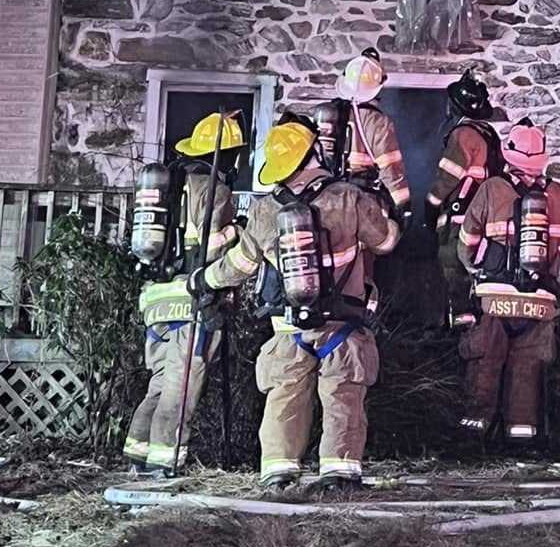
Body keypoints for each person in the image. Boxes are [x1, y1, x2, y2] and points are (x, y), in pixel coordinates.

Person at [196, 111, 399, 489]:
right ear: (314, 156)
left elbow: (239, 265)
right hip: (341, 325)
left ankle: (278, 472)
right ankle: (339, 473)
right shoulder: (349, 198)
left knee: (284, 395)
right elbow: (385, 242)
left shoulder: (265, 209)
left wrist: (203, 279)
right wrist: (393, 215)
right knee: (342, 394)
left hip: (286, 326)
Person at [123, 111, 244, 477]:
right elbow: (206, 250)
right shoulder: (215, 190)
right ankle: (164, 465)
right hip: (188, 303)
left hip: (156, 301)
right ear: (228, 155)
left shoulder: (173, 186)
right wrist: (235, 233)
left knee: (159, 384)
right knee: (181, 386)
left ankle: (137, 457)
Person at [455, 121, 560, 447]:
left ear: (509, 156)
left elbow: (466, 241)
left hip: (494, 296)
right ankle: (520, 441)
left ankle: (473, 437)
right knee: (528, 369)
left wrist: (474, 272)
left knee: (485, 361)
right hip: (540, 300)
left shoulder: (492, 188)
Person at [425, 67, 502, 327]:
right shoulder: (490, 134)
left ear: (456, 106)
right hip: (484, 216)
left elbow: (447, 179)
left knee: (453, 268)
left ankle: (460, 338)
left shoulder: (463, 135)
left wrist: (430, 207)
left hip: (460, 216)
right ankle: (479, 328)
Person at [314, 48, 411, 222]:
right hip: (362, 203)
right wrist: (403, 206)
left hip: (325, 200)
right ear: (378, 87)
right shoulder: (377, 122)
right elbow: (390, 167)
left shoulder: (330, 114)